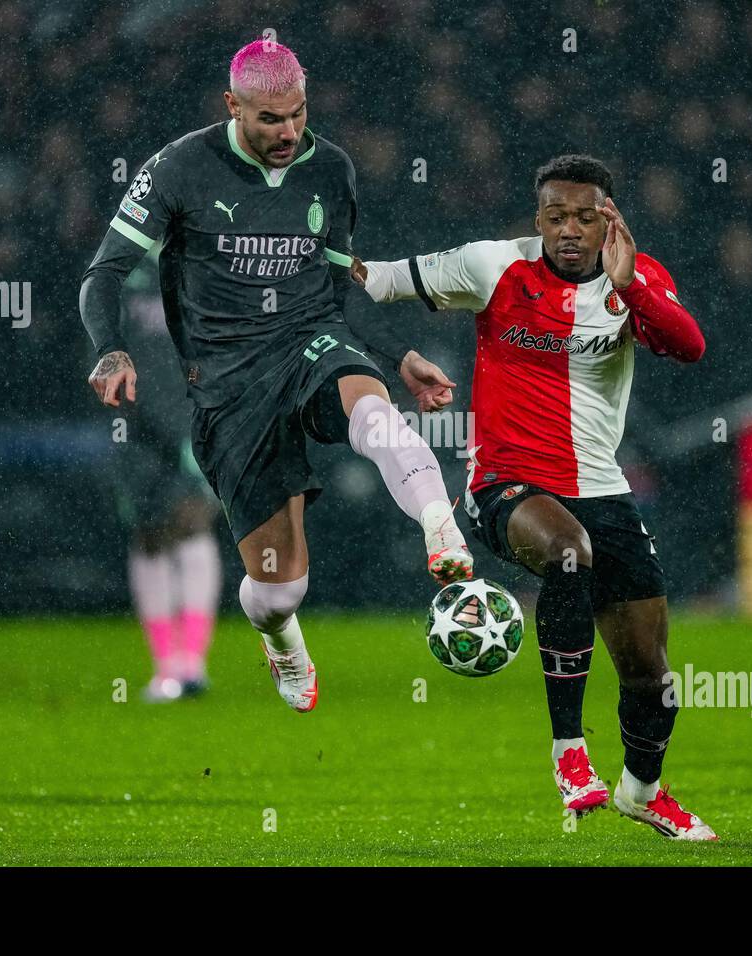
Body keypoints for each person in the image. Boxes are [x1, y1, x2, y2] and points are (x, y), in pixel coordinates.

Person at [79, 39, 471, 715]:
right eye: (269, 119)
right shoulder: (179, 168)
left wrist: (401, 355)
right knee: (279, 587)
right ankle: (282, 638)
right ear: (232, 107)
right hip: (229, 384)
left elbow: (341, 285)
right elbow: (104, 272)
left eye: (296, 114)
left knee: (372, 412)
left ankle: (441, 526)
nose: (288, 131)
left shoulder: (331, 169)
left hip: (309, 339)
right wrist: (111, 349)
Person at [354, 154, 717, 840]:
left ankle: (643, 790)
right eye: (555, 217)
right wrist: (313, 259)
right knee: (569, 555)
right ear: (539, 218)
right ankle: (569, 754)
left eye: (585, 216)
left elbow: (690, 346)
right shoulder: (494, 267)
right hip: (507, 485)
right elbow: (377, 281)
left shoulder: (635, 280)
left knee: (653, 677)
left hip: (604, 491)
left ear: (610, 218)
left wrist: (631, 285)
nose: (568, 230)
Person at [115, 246, 224, 701]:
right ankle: (165, 667)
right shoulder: (120, 273)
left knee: (193, 523)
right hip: (136, 425)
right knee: (149, 535)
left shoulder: (209, 264)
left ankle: (192, 663)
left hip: (192, 418)